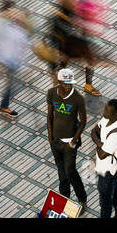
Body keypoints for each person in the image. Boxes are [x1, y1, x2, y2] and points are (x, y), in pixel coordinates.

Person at [46, 67, 88, 209]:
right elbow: (50, 115)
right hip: (55, 141)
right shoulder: (52, 93)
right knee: (61, 171)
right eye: (65, 83)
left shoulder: (78, 99)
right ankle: (64, 198)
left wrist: (73, 142)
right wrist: (50, 136)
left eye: (70, 83)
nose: (68, 85)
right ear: (59, 82)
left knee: (70, 171)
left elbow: (83, 122)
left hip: (69, 143)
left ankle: (82, 198)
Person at [0, 0, 29, 118]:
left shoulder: (9, 23)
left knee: (11, 84)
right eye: (11, 10)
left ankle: (4, 106)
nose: (13, 12)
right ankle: (4, 107)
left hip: (12, 59)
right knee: (10, 84)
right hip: (7, 60)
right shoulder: (2, 26)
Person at [91, 99, 117, 219]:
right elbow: (93, 131)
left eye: (107, 111)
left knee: (105, 200)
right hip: (103, 166)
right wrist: (102, 145)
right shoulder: (107, 118)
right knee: (113, 186)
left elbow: (101, 154)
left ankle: (114, 212)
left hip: (108, 170)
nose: (104, 112)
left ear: (116, 114)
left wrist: (99, 143)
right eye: (105, 108)